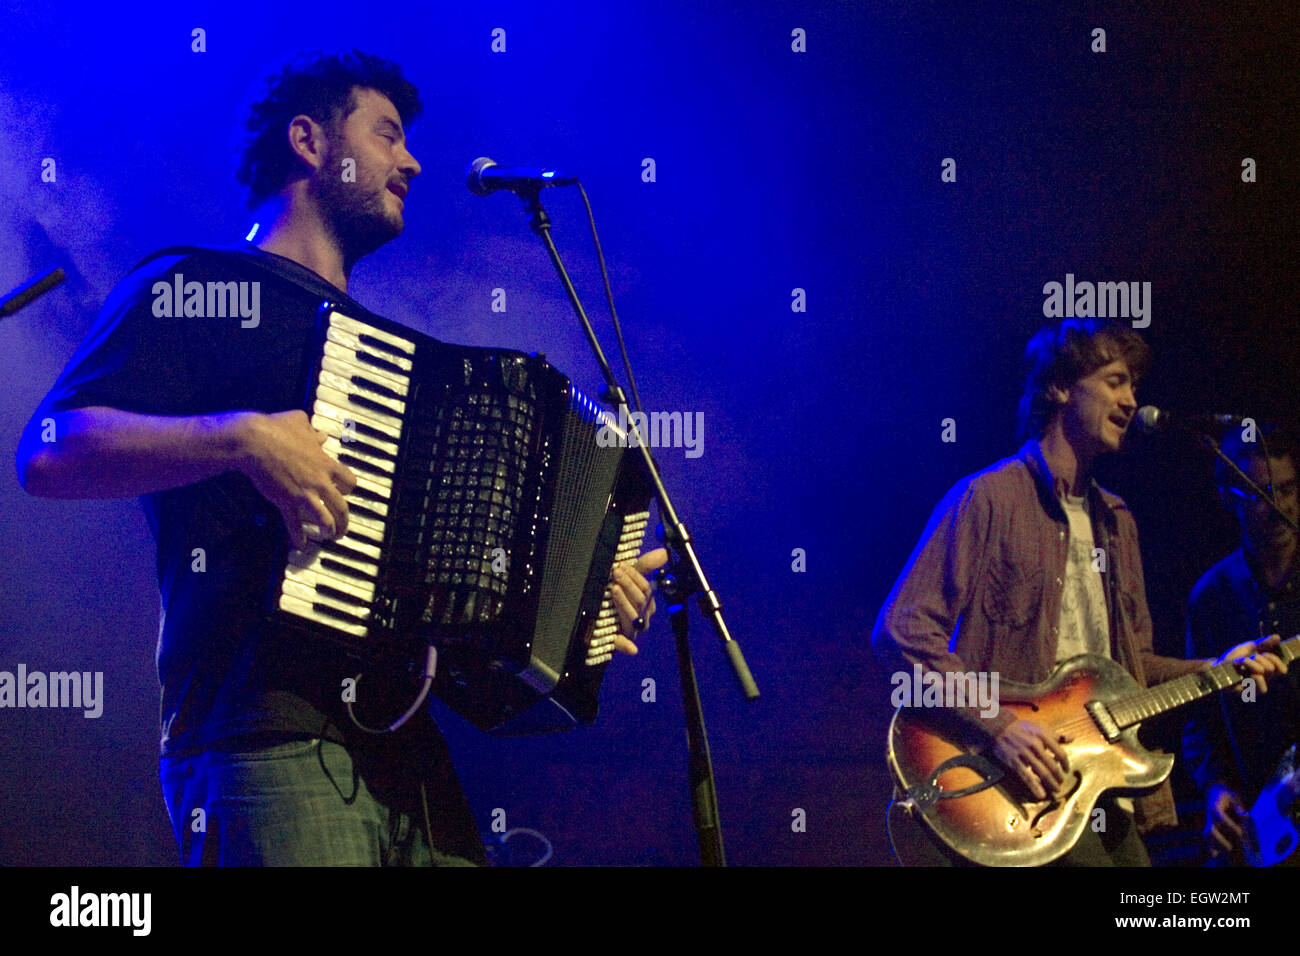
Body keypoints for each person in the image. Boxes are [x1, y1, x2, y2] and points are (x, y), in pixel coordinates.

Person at [15, 50, 666, 866]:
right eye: (388, 134)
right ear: (309, 141)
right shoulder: (194, 283)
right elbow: (48, 451)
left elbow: (459, 580)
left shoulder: (397, 359)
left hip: (413, 764)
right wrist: (240, 437)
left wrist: (576, 593)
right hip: (264, 737)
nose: (413, 160)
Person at [872, 317, 1284, 866]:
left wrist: (1218, 666)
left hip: (1096, 783)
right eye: (1115, 380)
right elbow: (900, 632)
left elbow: (1131, 674)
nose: (1132, 399)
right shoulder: (987, 499)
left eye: (1135, 385)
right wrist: (1000, 726)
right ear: (1060, 386)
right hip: (1009, 781)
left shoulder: (1118, 521)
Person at [1183, 425, 1300, 864]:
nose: (1277, 506)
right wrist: (1215, 785)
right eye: (1258, 493)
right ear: (1227, 498)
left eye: (1286, 489)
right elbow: (1201, 717)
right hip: (1264, 813)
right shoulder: (1211, 595)